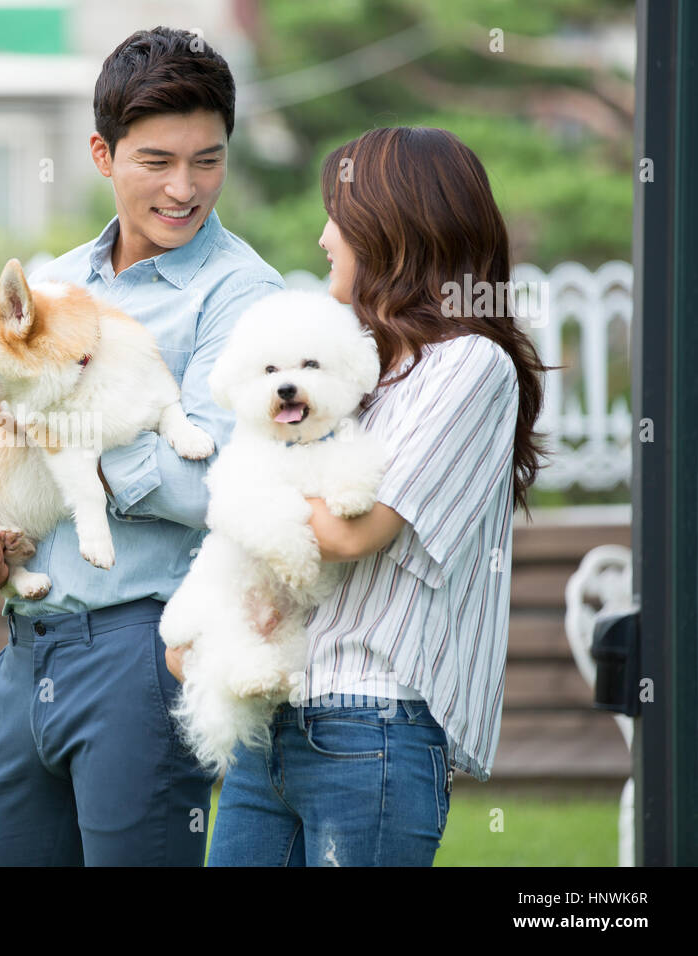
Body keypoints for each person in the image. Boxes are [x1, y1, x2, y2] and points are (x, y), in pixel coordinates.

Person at [0, 26, 284, 866]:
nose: (184, 188)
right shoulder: (49, 287)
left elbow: (213, 488)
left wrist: (69, 439)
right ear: (101, 152)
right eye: (157, 160)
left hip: (145, 653)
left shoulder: (240, 297)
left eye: (208, 159)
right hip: (26, 652)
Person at [166, 126, 551, 866]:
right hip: (272, 719)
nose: (321, 237)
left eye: (336, 218)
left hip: (370, 727)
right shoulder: (355, 372)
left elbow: (349, 534)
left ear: (391, 225)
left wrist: (248, 488)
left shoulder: (467, 367)